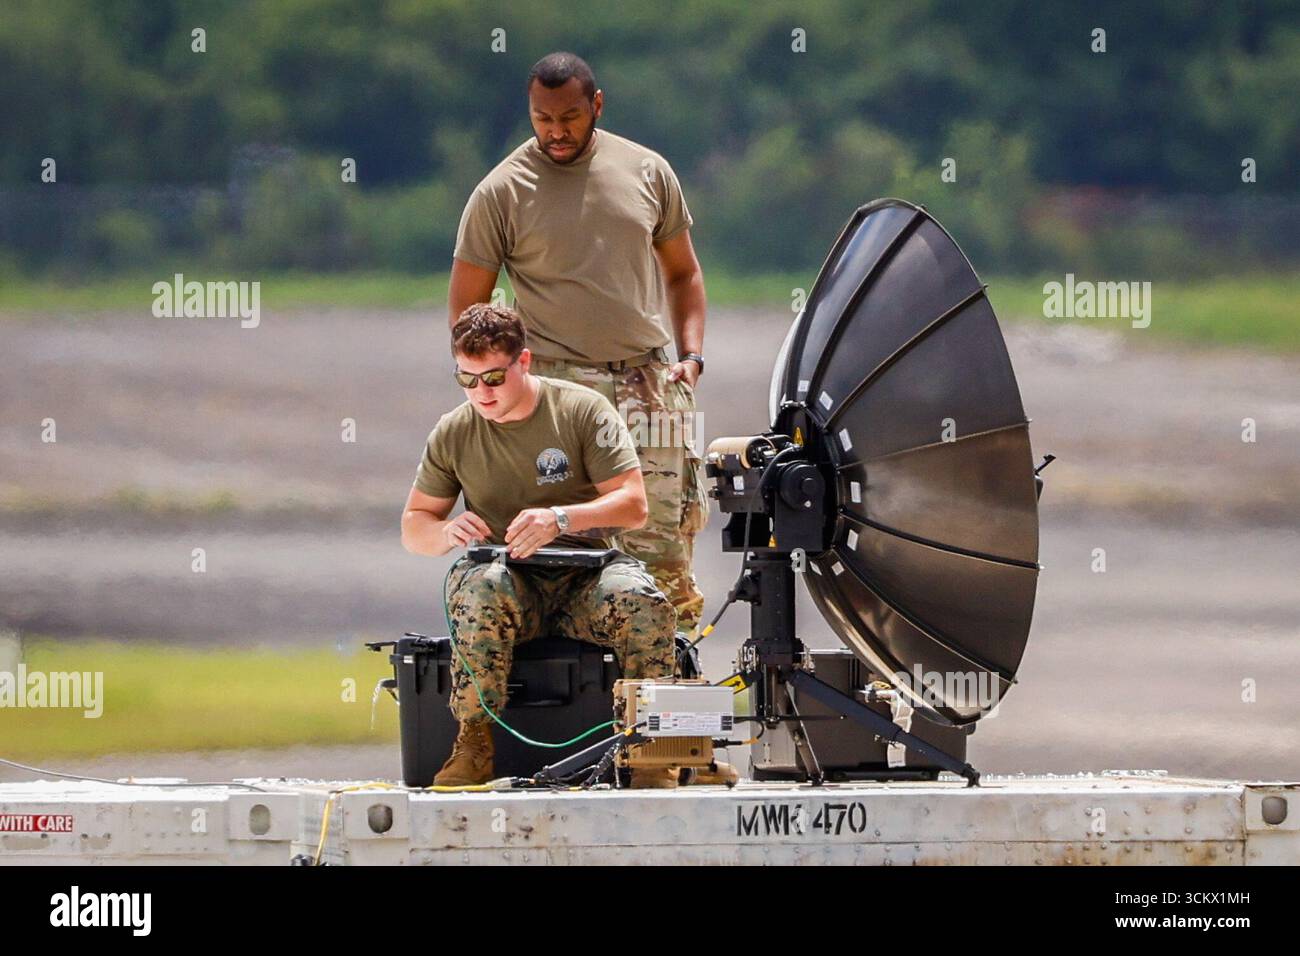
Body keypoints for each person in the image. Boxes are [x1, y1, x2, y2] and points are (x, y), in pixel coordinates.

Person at [447, 50, 710, 633]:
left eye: (568, 116)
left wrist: (690, 356)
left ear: (596, 105)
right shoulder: (501, 192)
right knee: (556, 547)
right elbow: (469, 310)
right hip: (556, 387)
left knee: (661, 544)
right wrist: (492, 387)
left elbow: (683, 273)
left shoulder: (647, 172)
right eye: (543, 118)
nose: (556, 131)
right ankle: (564, 698)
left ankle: (667, 704)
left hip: (648, 381)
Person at [400, 304, 679, 788]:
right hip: (509, 584)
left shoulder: (581, 410)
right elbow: (414, 524)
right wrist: (445, 533)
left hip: (585, 577)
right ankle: (473, 744)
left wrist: (563, 517)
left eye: (492, 378)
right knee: (480, 587)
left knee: (644, 603)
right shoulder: (455, 431)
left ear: (523, 363)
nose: (481, 394)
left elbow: (633, 504)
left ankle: (649, 751)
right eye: (466, 380)